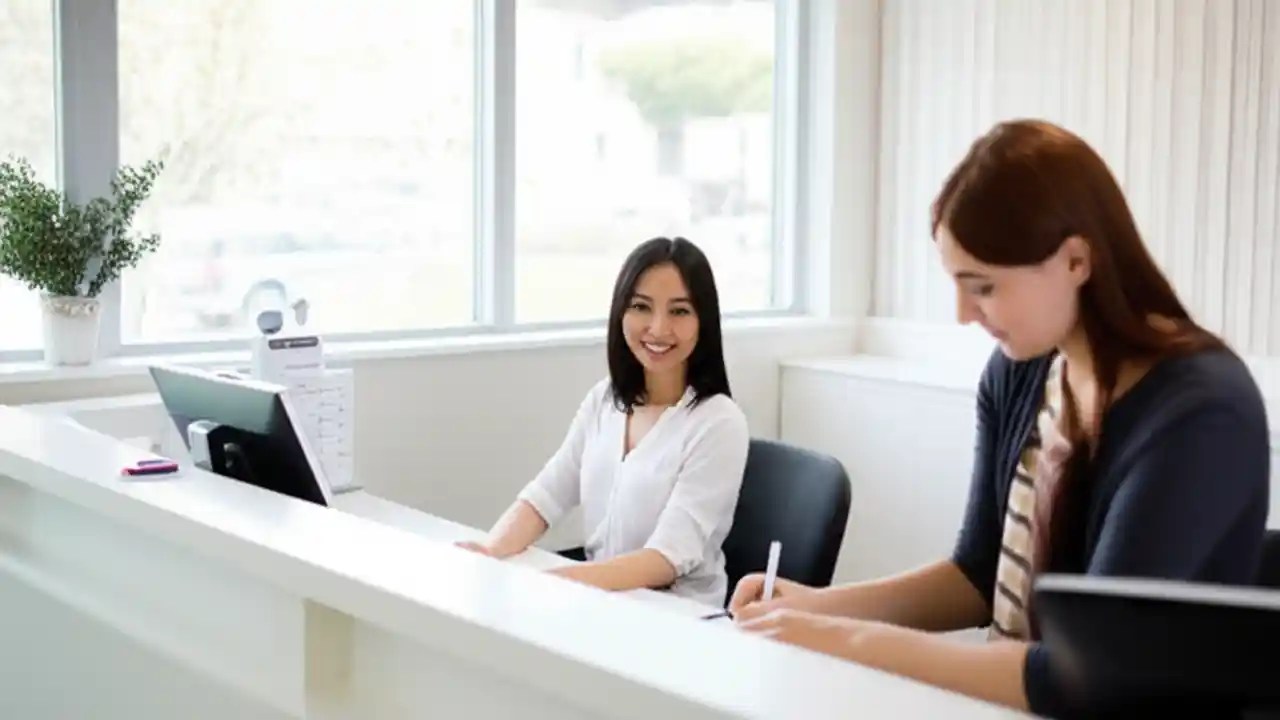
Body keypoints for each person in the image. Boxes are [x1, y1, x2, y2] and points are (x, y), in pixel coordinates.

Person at [728, 120, 1270, 716]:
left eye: (982, 287)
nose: (965, 314)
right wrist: (811, 607)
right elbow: (976, 576)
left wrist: (845, 640)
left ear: (1076, 260)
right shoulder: (1020, 370)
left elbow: (1083, 676)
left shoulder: (1200, 413)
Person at [457, 236, 750, 608]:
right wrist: (491, 552)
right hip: (602, 600)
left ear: (703, 321)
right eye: (642, 307)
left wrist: (553, 583)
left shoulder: (719, 422)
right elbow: (546, 495)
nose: (658, 328)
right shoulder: (604, 400)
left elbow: (667, 557)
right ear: (620, 314)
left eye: (679, 311)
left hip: (676, 617)